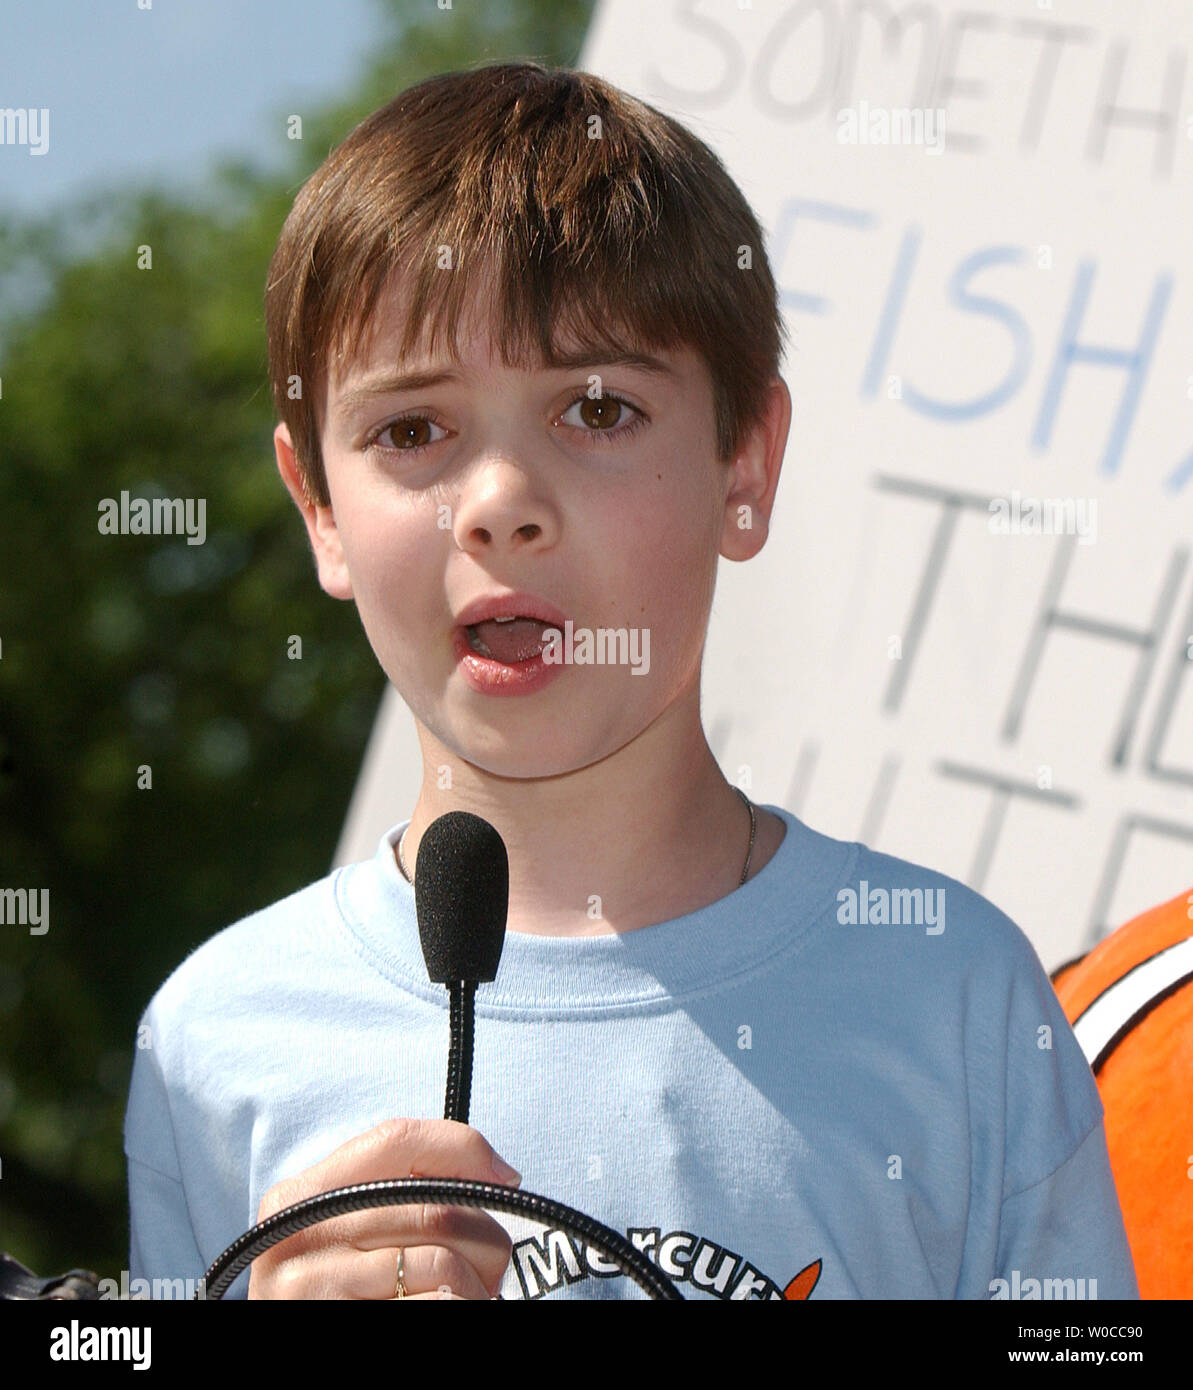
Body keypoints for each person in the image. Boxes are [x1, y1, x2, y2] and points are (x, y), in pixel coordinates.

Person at [124, 59, 1138, 1301]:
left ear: (744, 465)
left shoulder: (958, 996)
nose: (500, 505)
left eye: (596, 410)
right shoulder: (216, 1036)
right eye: (411, 431)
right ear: (320, 509)